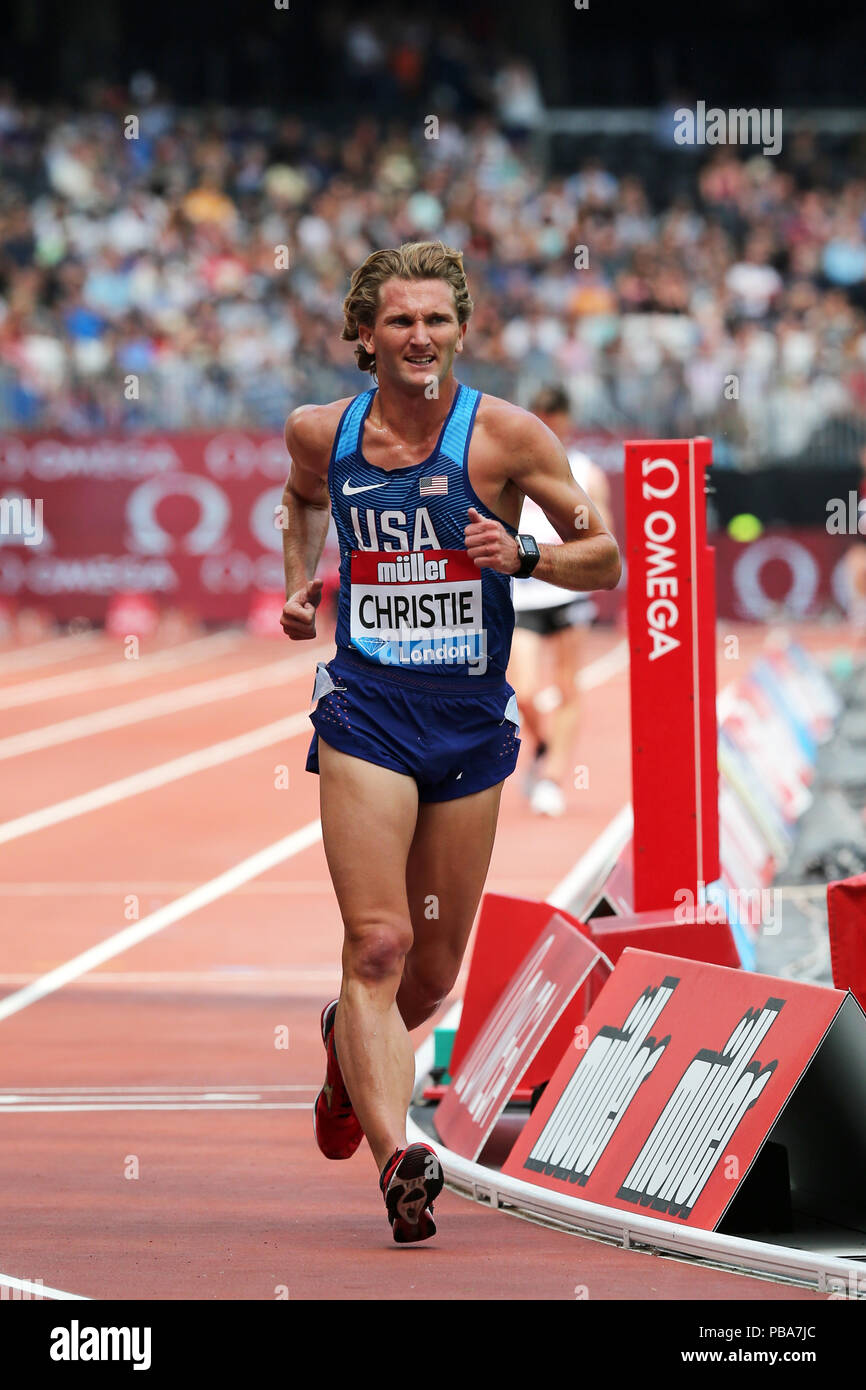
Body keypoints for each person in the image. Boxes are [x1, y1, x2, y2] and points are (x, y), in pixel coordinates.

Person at [280, 241, 620, 1243]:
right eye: (398, 321)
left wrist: (522, 550)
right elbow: (300, 501)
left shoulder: (508, 438)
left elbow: (601, 553)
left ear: (462, 330)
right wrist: (300, 580)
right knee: (377, 941)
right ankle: (399, 1162)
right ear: (364, 335)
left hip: (468, 723)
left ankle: (348, 1052)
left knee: (428, 976)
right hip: (366, 712)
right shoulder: (318, 433)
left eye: (436, 319)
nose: (419, 336)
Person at [508, 385, 616, 816]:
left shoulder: (587, 472)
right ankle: (546, 745)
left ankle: (553, 776)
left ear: (568, 422)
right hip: (524, 595)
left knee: (568, 685)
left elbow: (601, 538)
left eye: (556, 420)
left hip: (568, 593)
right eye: (541, 418)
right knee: (526, 692)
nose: (549, 427)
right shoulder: (513, 469)